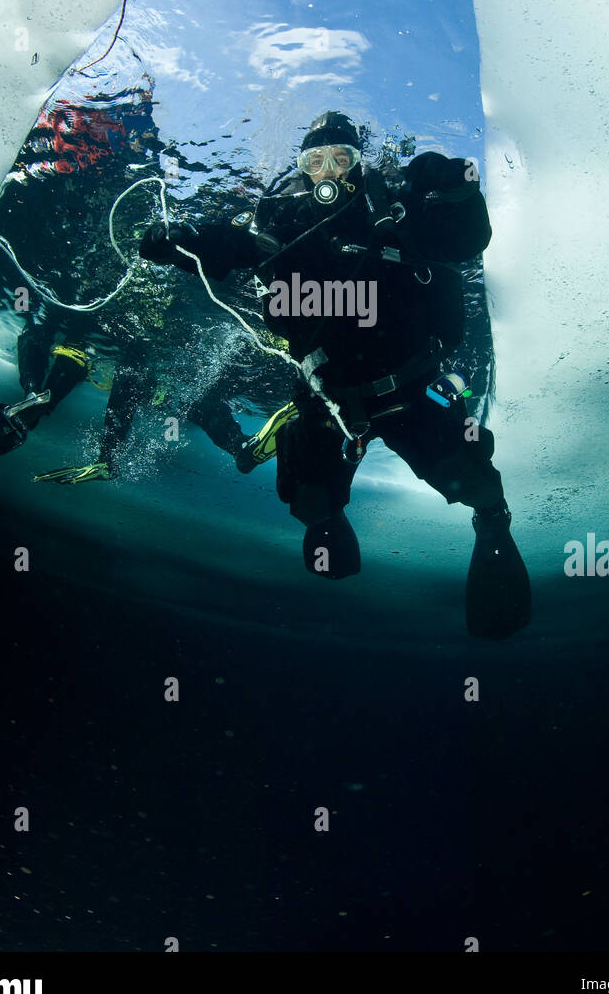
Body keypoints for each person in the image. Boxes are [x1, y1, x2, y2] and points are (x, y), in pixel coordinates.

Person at [139, 110, 530, 638]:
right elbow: (233, 246)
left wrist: (453, 188)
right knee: (310, 502)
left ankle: (493, 529)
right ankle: (329, 518)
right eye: (314, 160)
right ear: (301, 167)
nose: (328, 171)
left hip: (411, 389)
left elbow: (464, 240)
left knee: (473, 482)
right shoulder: (284, 220)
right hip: (327, 397)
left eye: (341, 158)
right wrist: (182, 241)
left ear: (358, 164)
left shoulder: (395, 213)